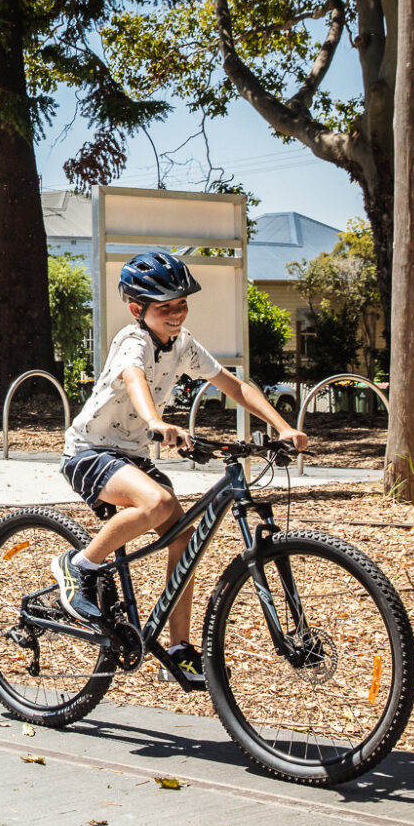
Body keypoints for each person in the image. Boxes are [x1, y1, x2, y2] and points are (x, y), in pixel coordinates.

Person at [51, 251, 308, 689]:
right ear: (138, 309)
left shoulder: (184, 343)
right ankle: (78, 566)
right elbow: (133, 378)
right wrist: (155, 422)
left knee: (184, 537)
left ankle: (178, 647)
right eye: (164, 307)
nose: (175, 314)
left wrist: (283, 426)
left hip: (133, 456)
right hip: (90, 451)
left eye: (181, 305)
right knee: (158, 501)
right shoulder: (132, 341)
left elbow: (233, 385)